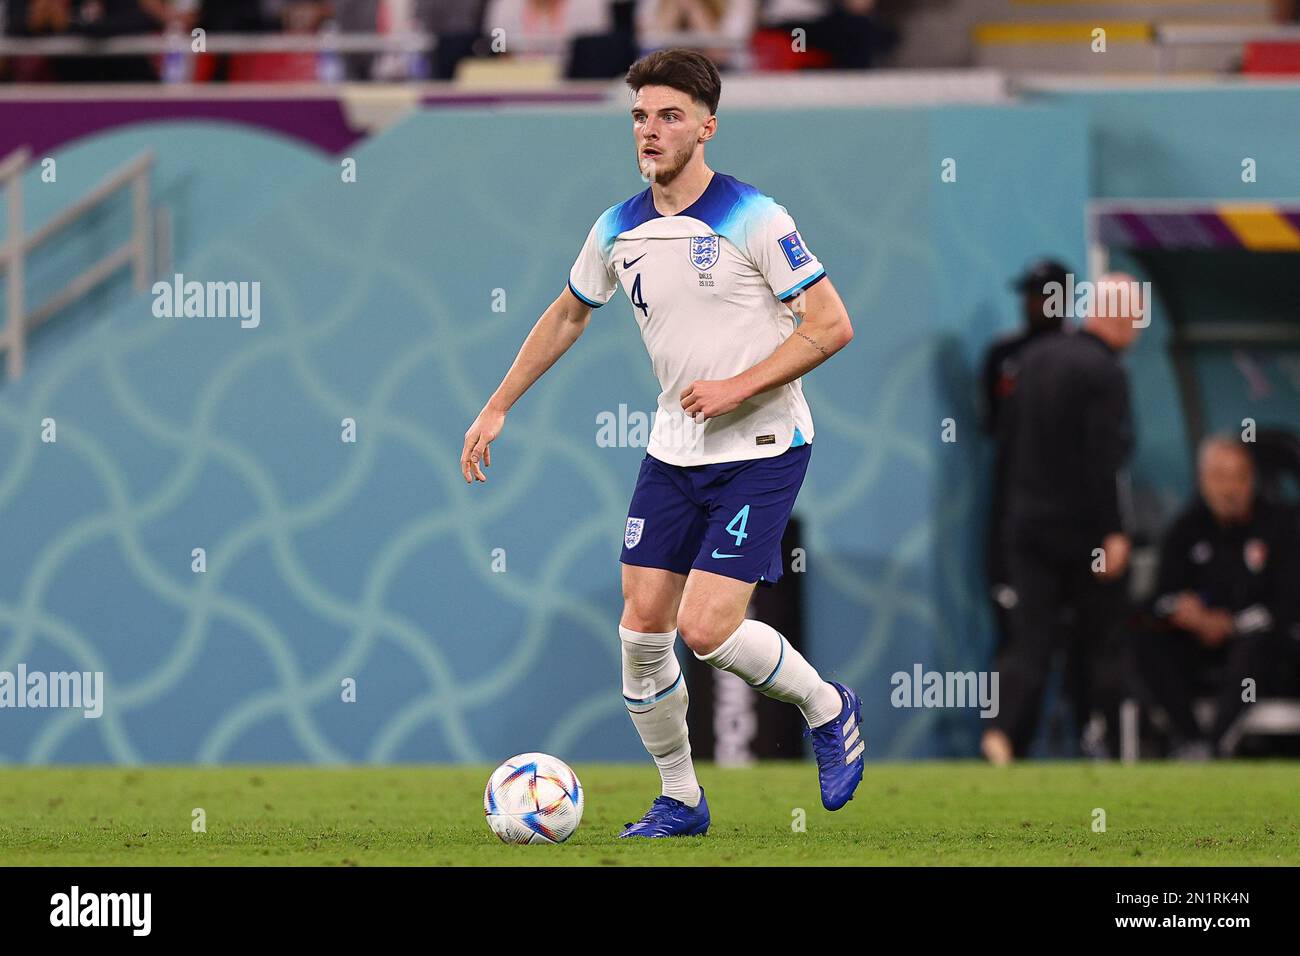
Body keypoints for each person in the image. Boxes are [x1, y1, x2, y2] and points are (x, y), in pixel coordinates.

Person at [461, 48, 862, 837]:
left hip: (764, 444)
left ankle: (827, 706)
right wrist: (498, 405)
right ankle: (681, 798)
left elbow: (831, 326)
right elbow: (570, 313)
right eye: (641, 115)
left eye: (669, 115)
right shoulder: (618, 227)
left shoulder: (755, 216)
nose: (650, 130)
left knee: (705, 630)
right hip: (674, 452)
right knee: (641, 630)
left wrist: (736, 387)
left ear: (707, 127)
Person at [982, 273, 1145, 765]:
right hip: (1083, 532)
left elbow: (1004, 449)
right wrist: (1114, 530)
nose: (1137, 331)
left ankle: (1005, 734)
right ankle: (1105, 741)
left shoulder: (1032, 360)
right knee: (1101, 643)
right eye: (1136, 319)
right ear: (1118, 317)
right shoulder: (1105, 372)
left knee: (1030, 640)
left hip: (1025, 523)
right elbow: (1103, 461)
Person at [1139, 436, 1300, 757]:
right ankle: (1191, 740)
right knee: (1144, 641)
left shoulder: (1281, 526)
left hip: (1263, 652)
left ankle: (1214, 745)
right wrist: (1182, 611)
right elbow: (1159, 598)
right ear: (1203, 481)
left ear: (1252, 481)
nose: (1230, 489)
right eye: (1220, 477)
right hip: (1200, 649)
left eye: (1239, 477)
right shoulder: (1185, 529)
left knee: (1257, 643)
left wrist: (1231, 624)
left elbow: (1288, 605)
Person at [980, 258, 1069, 640]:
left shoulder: (1079, 357)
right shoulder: (1003, 356)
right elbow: (993, 424)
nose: (1033, 303)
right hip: (1013, 496)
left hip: (1068, 504)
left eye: (1042, 294)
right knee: (1014, 621)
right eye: (1030, 295)